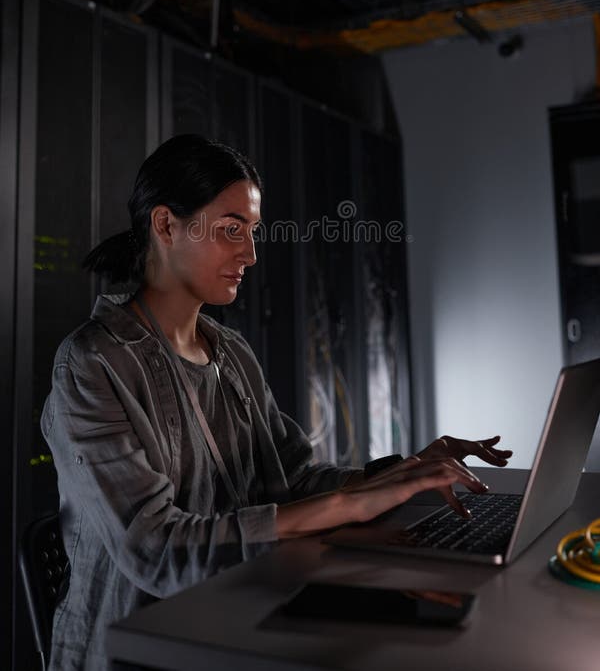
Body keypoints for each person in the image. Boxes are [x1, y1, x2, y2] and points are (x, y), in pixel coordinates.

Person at [41, 135, 511, 671]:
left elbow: (294, 480)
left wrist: (402, 475)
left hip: (242, 617)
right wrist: (346, 505)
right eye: (231, 230)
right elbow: (155, 549)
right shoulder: (93, 363)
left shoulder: (230, 351)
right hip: (139, 649)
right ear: (167, 225)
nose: (251, 253)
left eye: (253, 233)